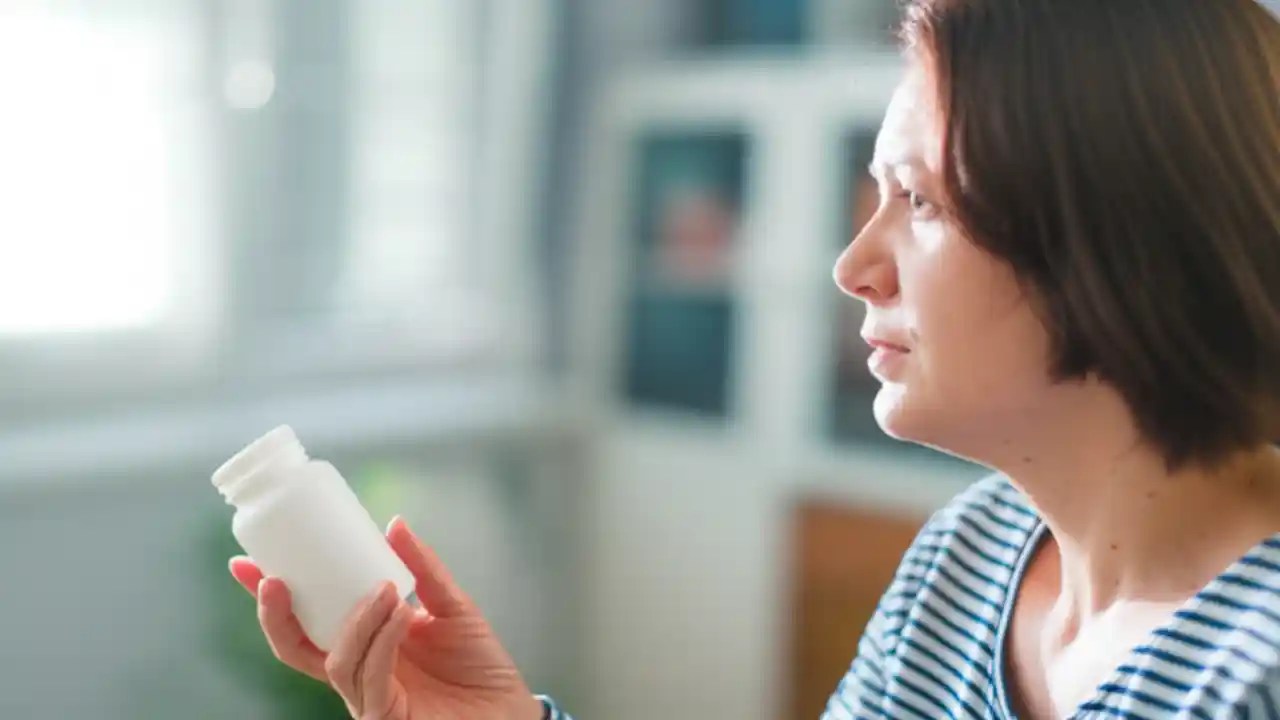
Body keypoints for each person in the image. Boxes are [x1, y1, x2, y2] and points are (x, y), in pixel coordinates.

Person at [228, 0, 1280, 717]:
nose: (852, 264)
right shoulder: (972, 558)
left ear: (1113, 228)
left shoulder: (1254, 669)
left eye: (914, 200)